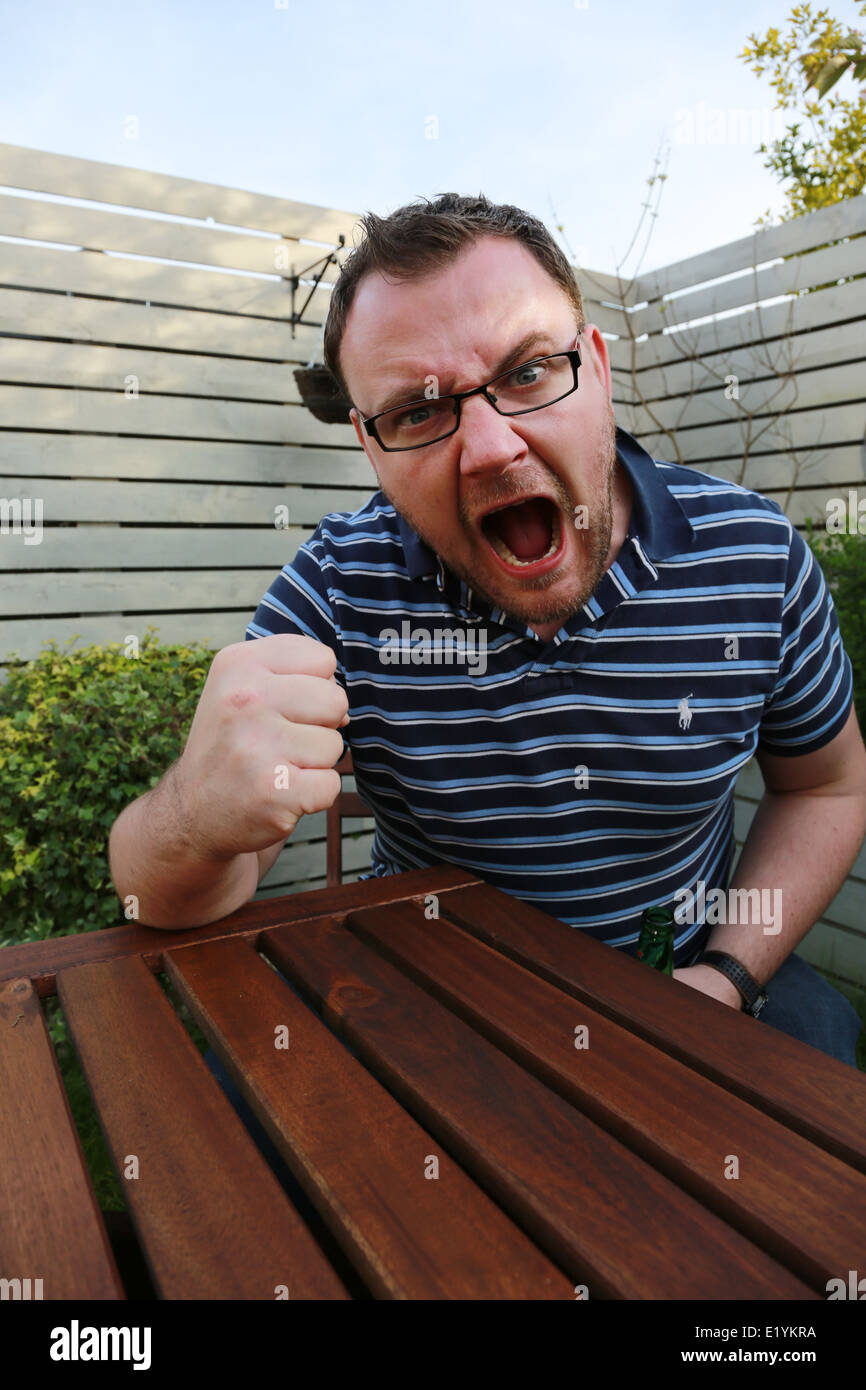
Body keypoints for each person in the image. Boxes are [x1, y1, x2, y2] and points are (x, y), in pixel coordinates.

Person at [109, 193, 866, 1075]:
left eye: (529, 372)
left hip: (685, 974)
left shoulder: (753, 556)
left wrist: (728, 975)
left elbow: (826, 789)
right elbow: (146, 897)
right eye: (418, 412)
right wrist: (196, 817)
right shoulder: (338, 590)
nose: (493, 449)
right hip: (431, 1012)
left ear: (598, 366)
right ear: (368, 443)